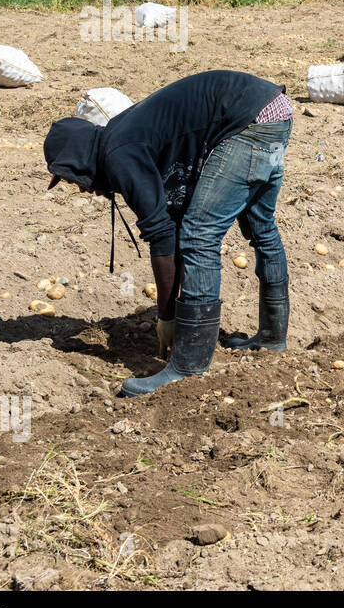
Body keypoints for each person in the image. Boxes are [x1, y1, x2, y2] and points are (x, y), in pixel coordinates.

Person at [43, 70, 293, 397]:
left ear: (78, 162)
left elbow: (163, 236)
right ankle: (273, 338)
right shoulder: (121, 135)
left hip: (246, 122)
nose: (81, 189)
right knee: (261, 225)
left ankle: (188, 366)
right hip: (273, 111)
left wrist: (167, 315)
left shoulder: (119, 154)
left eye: (72, 179)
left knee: (199, 235)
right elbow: (169, 214)